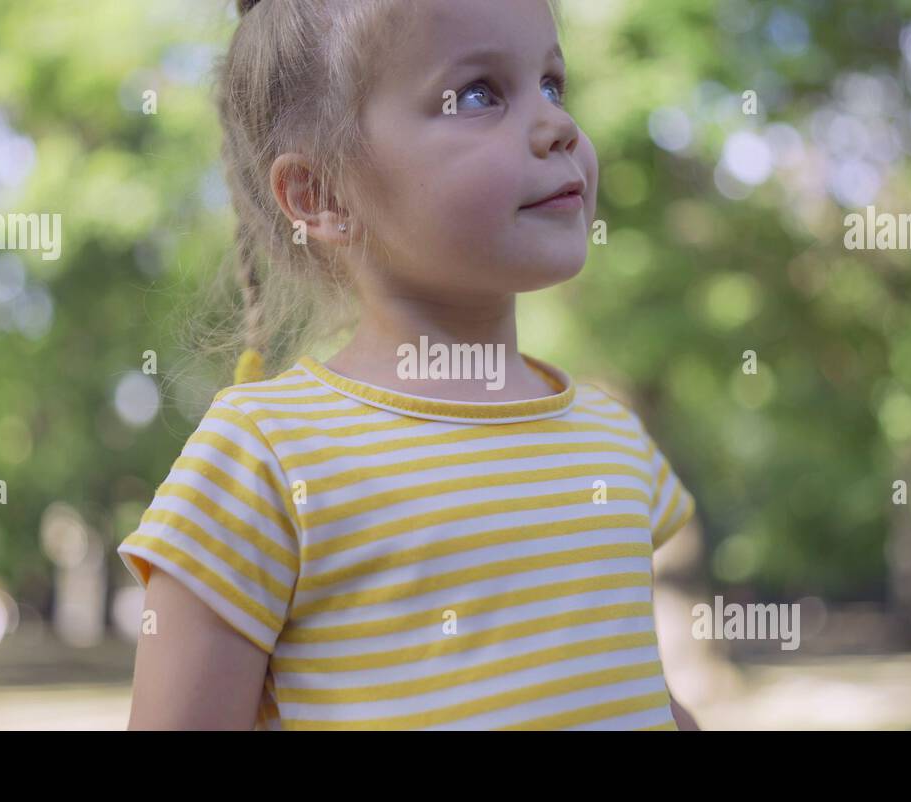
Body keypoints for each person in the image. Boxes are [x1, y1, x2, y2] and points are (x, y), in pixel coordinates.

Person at [119, 0, 700, 730]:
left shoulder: (615, 439)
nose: (560, 127)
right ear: (320, 196)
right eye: (481, 94)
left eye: (553, 84)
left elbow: (632, 688)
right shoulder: (262, 460)